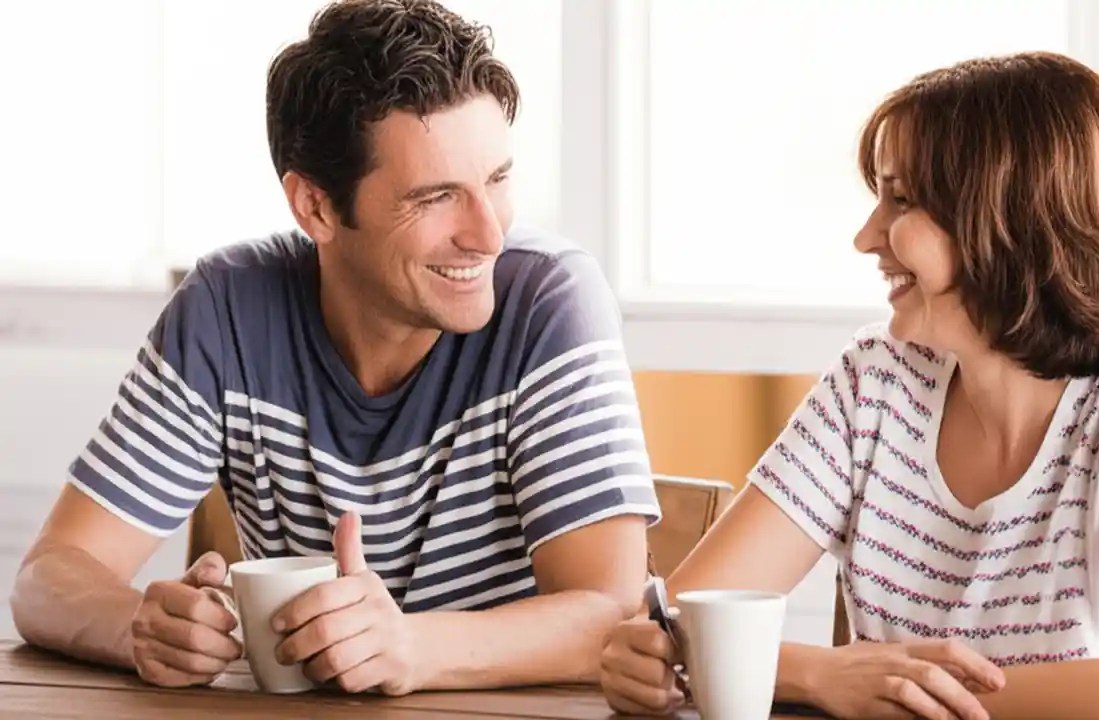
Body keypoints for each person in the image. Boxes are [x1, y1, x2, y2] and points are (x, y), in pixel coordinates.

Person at [11, 0, 660, 696]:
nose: (488, 236)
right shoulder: (228, 311)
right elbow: (48, 576)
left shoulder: (548, 302)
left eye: (497, 181)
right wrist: (140, 626)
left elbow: (611, 611)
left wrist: (409, 647)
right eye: (437, 197)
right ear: (315, 208)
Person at [600, 51, 1099, 720]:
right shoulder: (876, 383)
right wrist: (825, 675)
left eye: (902, 200)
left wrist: (893, 692)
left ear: (1008, 218)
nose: (865, 237)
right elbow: (682, 628)